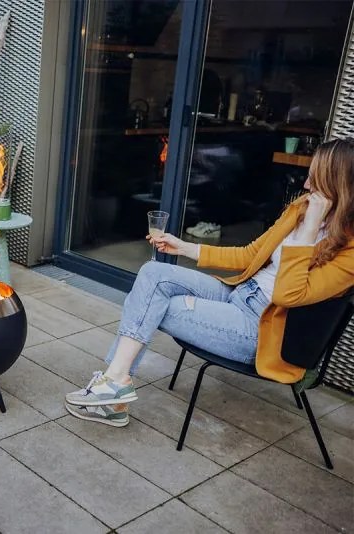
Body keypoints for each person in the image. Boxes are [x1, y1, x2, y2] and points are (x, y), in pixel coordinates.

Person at [64, 138, 354, 427]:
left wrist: (309, 232)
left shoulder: (349, 251)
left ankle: (113, 393)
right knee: (154, 274)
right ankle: (115, 383)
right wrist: (185, 248)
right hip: (240, 293)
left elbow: (289, 294)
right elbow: (250, 254)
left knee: (156, 305)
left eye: (316, 179)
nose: (305, 186)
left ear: (339, 185)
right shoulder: (300, 210)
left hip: (262, 329)